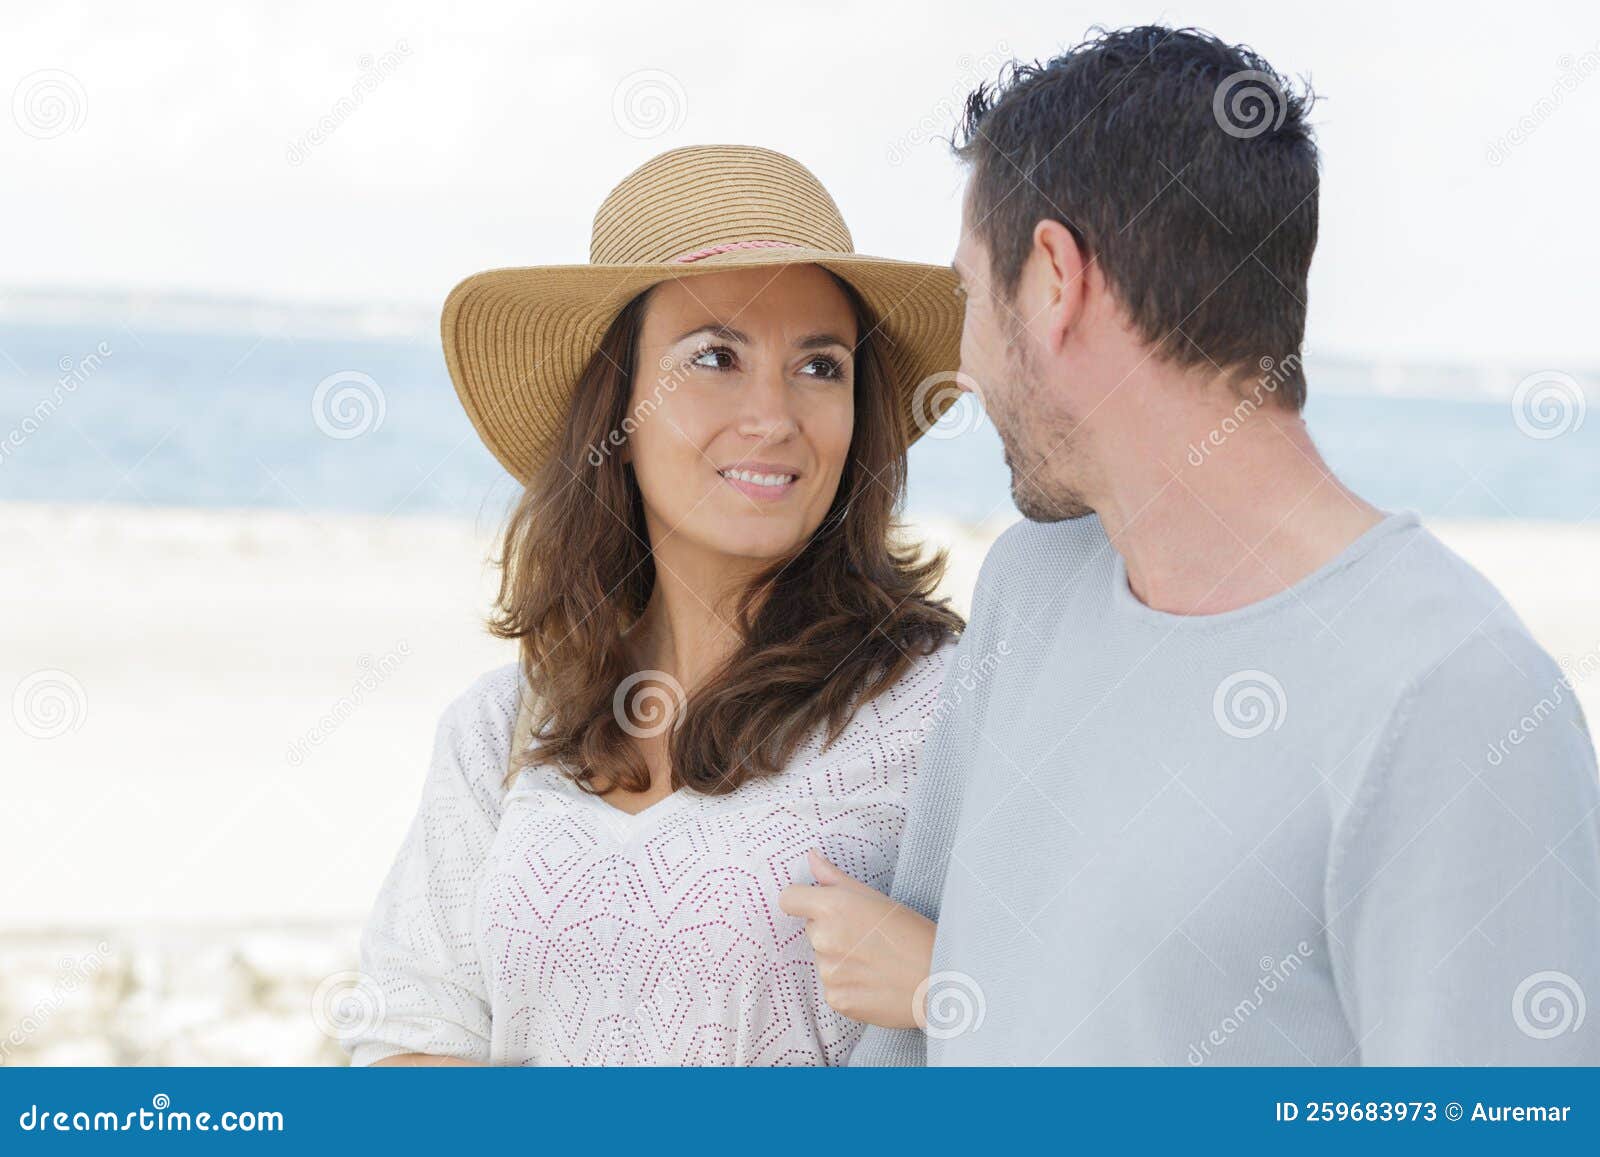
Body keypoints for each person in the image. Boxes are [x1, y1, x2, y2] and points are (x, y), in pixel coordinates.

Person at [781, 26, 1600, 1065]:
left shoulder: (1452, 696)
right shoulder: (1031, 594)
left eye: (970, 298)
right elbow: (920, 1051)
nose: (968, 363)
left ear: (1052, 280)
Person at [344, 144, 966, 1066]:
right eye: (716, 355)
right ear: (616, 413)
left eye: (821, 366)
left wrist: (949, 985)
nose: (775, 413)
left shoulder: (943, 709)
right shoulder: (505, 726)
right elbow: (411, 1032)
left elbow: (1113, 1021)